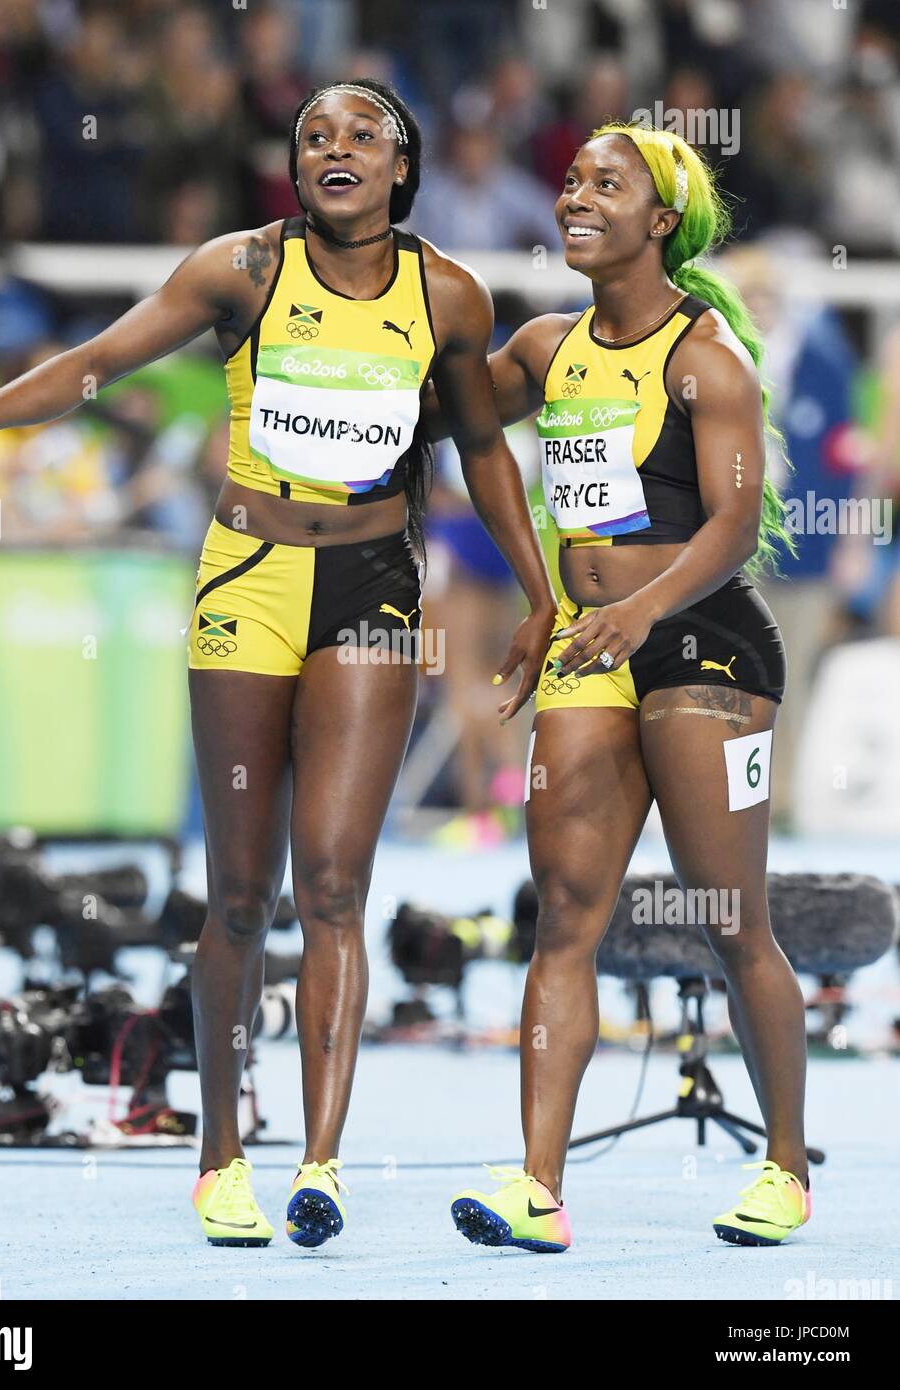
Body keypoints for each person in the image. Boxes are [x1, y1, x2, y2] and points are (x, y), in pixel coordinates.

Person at [0, 78, 556, 1250]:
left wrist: (538, 589)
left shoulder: (447, 293)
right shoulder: (239, 270)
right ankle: (219, 1161)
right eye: (314, 137)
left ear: (400, 169)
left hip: (372, 589)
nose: (333, 150)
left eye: (360, 136)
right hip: (247, 579)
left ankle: (320, 1161)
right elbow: (101, 361)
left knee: (337, 888)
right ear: (294, 168)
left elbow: (482, 449)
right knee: (242, 895)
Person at [427, 122, 810, 1253]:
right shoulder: (546, 347)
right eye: (571, 179)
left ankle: (783, 1169)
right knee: (564, 916)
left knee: (730, 921)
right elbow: (451, 415)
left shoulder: (705, 361)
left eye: (608, 182)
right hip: (587, 647)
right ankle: (536, 1189)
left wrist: (638, 610)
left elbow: (733, 525)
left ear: (661, 223)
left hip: (704, 647)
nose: (575, 195)